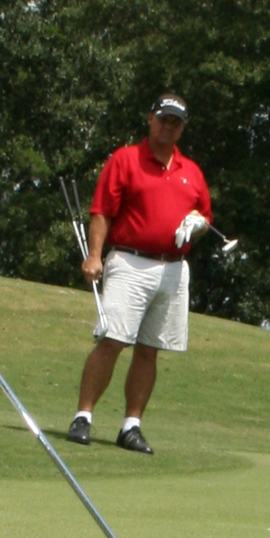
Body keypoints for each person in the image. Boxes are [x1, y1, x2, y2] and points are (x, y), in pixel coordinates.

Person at [65, 95, 213, 455]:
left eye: (176, 122)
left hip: (173, 269)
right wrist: (95, 256)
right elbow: (102, 210)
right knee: (114, 339)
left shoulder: (191, 171)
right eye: (164, 119)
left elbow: (205, 217)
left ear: (183, 127)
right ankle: (83, 416)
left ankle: (131, 425)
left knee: (150, 350)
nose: (169, 126)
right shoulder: (126, 159)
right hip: (130, 261)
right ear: (150, 119)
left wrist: (199, 226)